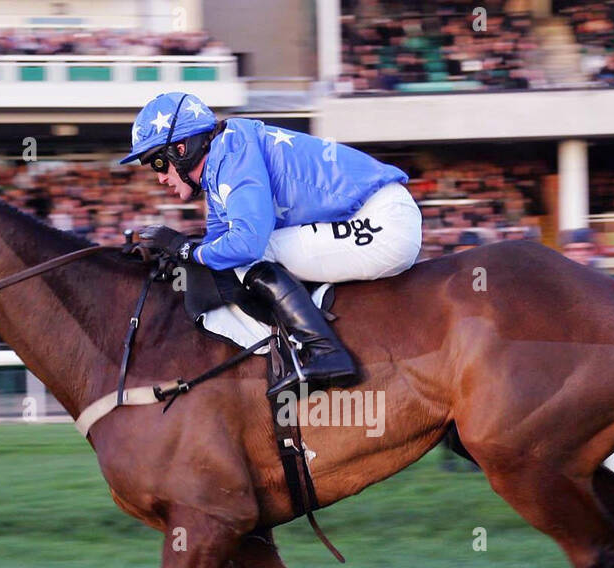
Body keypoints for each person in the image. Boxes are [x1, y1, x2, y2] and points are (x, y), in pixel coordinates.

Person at [123, 92, 422, 395]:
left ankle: (326, 351)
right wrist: (172, 255)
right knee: (234, 257)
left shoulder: (233, 154)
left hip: (384, 222)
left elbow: (246, 245)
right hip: (375, 215)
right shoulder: (221, 164)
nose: (160, 178)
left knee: (251, 256)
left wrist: (185, 249)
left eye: (159, 164)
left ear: (182, 149)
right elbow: (216, 244)